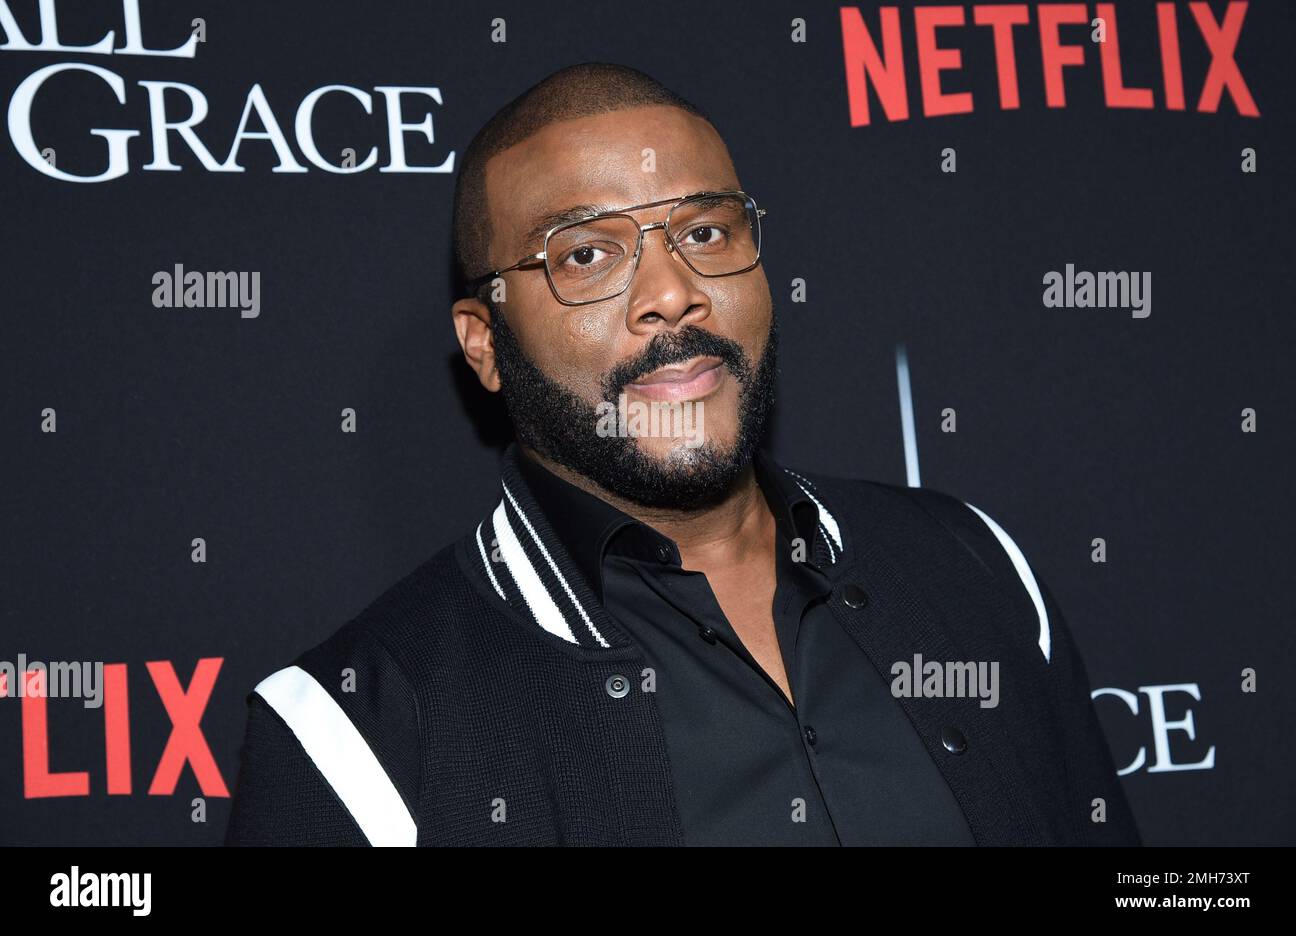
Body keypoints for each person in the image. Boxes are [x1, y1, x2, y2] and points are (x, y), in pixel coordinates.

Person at [225, 62, 1140, 846]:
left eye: (705, 233)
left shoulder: (972, 564)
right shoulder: (360, 728)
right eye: (585, 255)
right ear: (484, 343)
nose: (672, 293)